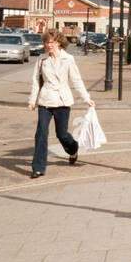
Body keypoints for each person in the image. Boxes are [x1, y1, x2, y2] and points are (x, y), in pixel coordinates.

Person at [27, 30, 94, 178]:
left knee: (62, 134)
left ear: (58, 42)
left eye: (51, 42)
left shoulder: (68, 59)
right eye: (46, 42)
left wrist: (86, 98)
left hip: (63, 100)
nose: (48, 45)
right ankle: (38, 167)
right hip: (45, 100)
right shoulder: (42, 60)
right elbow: (36, 81)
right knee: (41, 133)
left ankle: (73, 149)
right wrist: (32, 100)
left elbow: (76, 80)